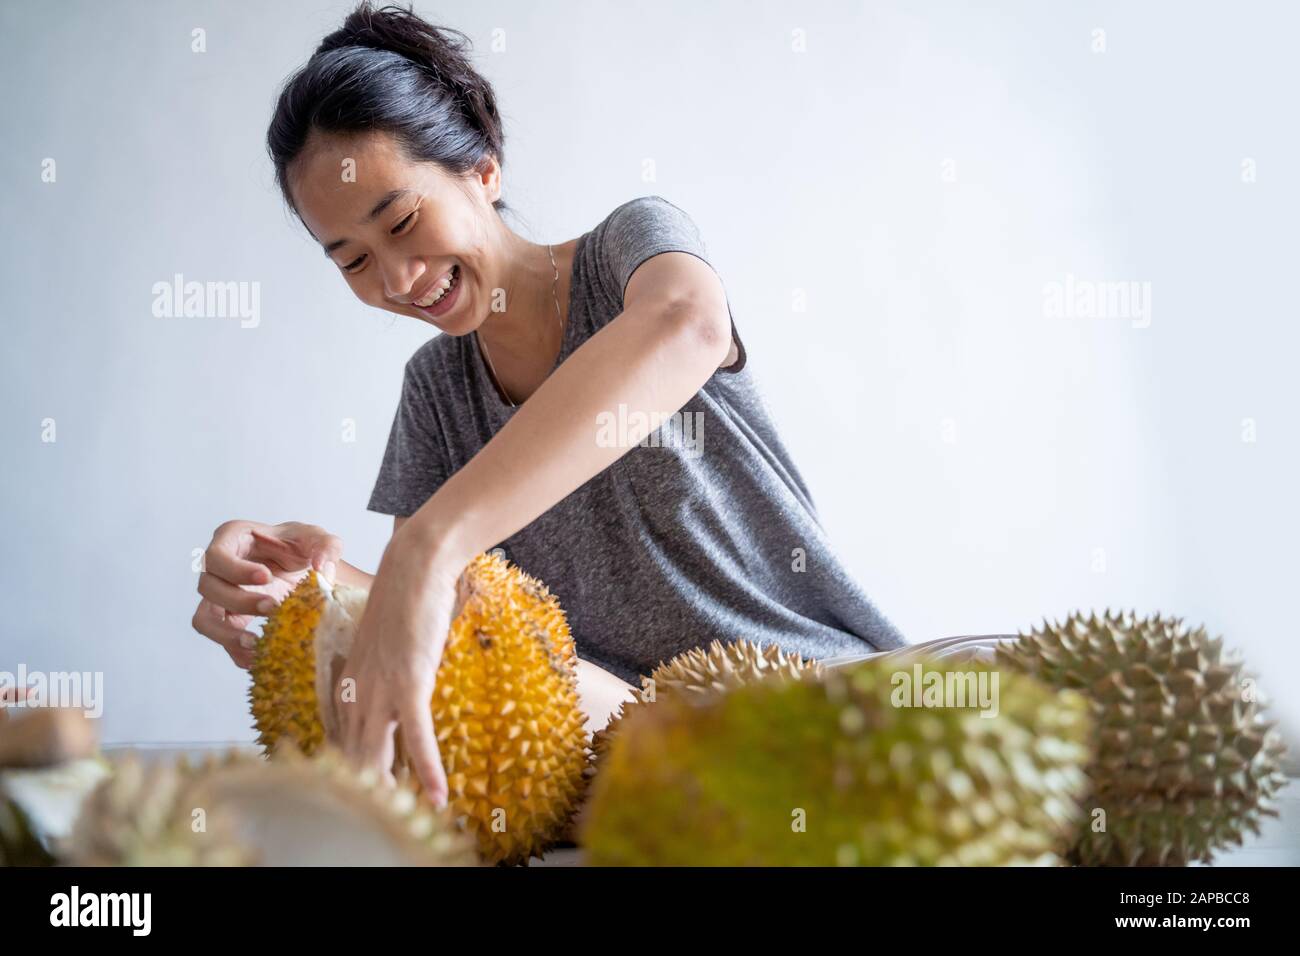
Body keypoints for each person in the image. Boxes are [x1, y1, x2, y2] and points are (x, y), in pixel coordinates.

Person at [191, 2, 905, 806]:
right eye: (353, 260)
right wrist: (308, 587)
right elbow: (442, 616)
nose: (395, 279)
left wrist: (432, 541)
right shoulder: (436, 390)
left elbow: (689, 325)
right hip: (650, 753)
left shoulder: (629, 254)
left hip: (835, 709)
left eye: (401, 221)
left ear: (483, 168)